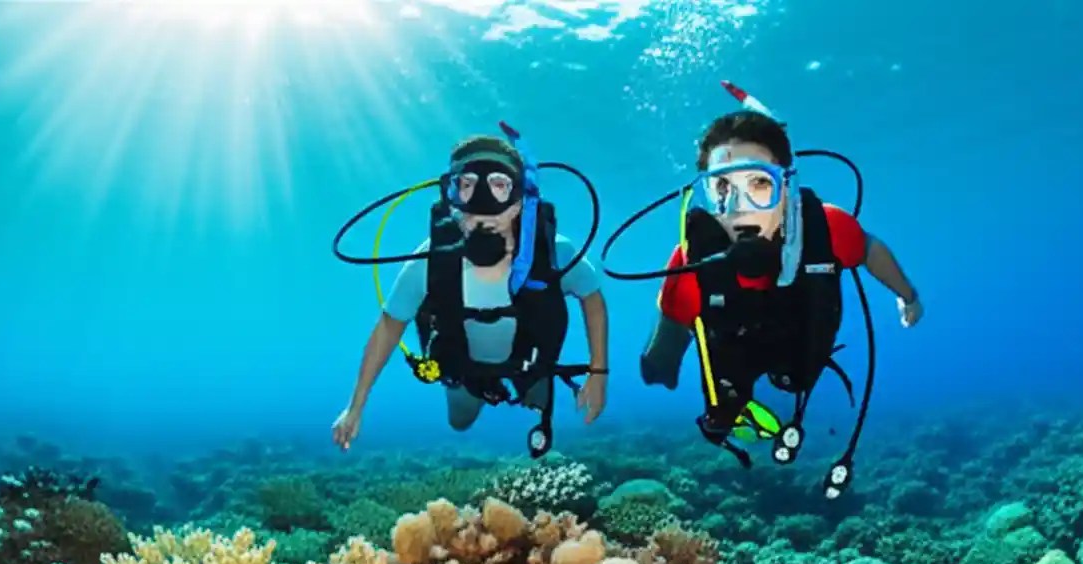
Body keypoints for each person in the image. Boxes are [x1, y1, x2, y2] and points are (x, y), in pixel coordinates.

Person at [605, 81, 922, 497]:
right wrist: (663, 360)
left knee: (796, 378)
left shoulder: (827, 229)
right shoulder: (690, 262)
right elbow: (672, 323)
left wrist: (907, 294)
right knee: (725, 408)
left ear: (786, 186)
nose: (739, 206)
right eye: (721, 187)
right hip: (733, 349)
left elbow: (867, 249)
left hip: (801, 342)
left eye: (759, 183)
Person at [330, 131, 609, 456]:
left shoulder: (555, 253)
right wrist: (355, 406)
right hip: (462, 371)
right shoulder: (428, 263)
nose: (483, 205)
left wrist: (598, 372)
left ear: (521, 197)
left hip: (531, 363)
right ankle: (476, 395)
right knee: (460, 421)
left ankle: (529, 390)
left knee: (538, 400)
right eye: (467, 186)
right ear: (451, 197)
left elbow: (592, 298)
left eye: (498, 185)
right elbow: (389, 327)